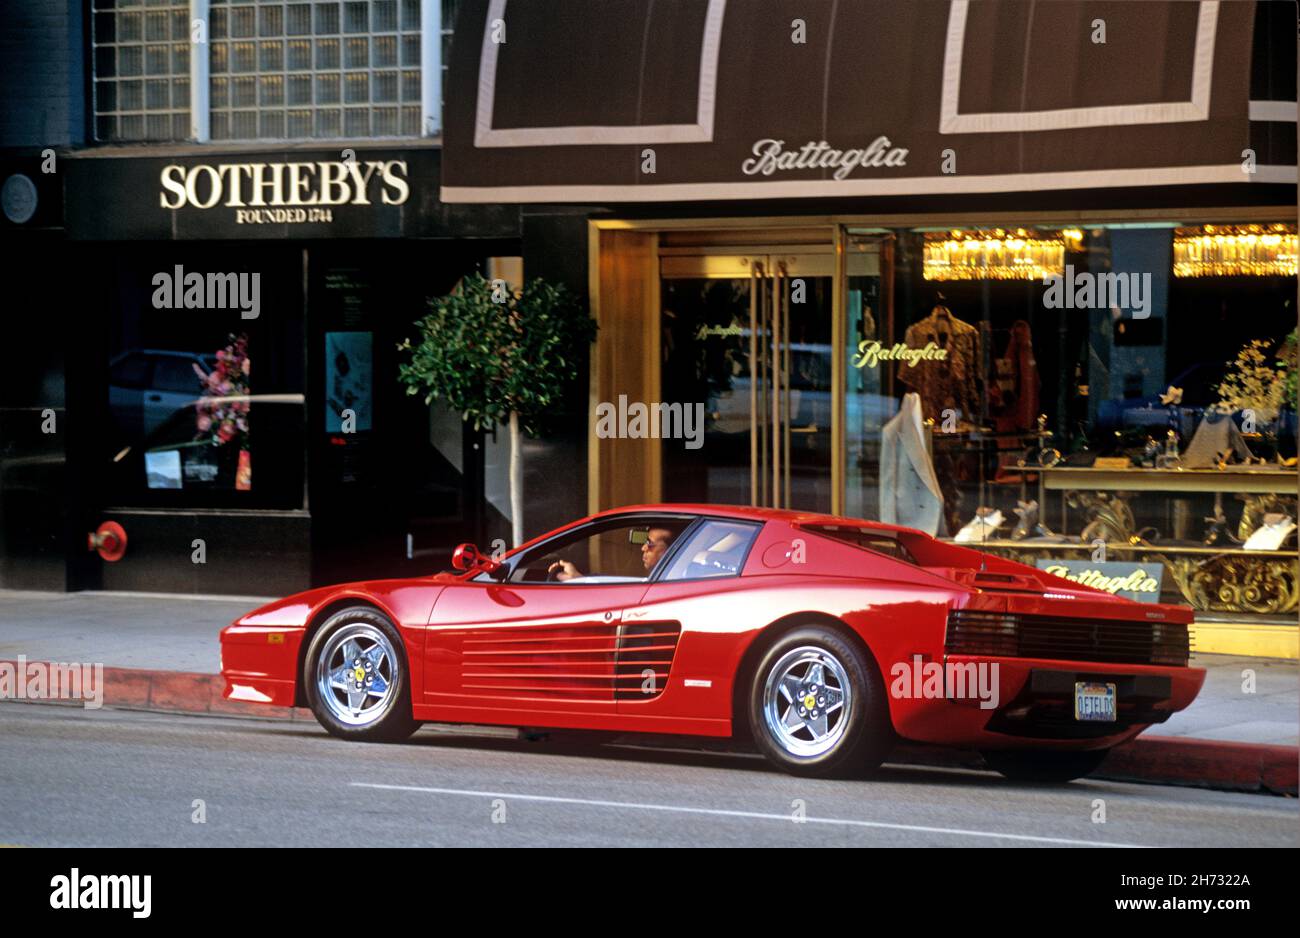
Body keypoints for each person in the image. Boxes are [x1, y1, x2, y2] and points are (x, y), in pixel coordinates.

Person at [548, 527, 675, 581]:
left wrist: (578, 580)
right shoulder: (665, 579)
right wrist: (579, 578)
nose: (643, 548)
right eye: (644, 541)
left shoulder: (674, 584)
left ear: (669, 551)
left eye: (650, 543)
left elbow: (627, 597)